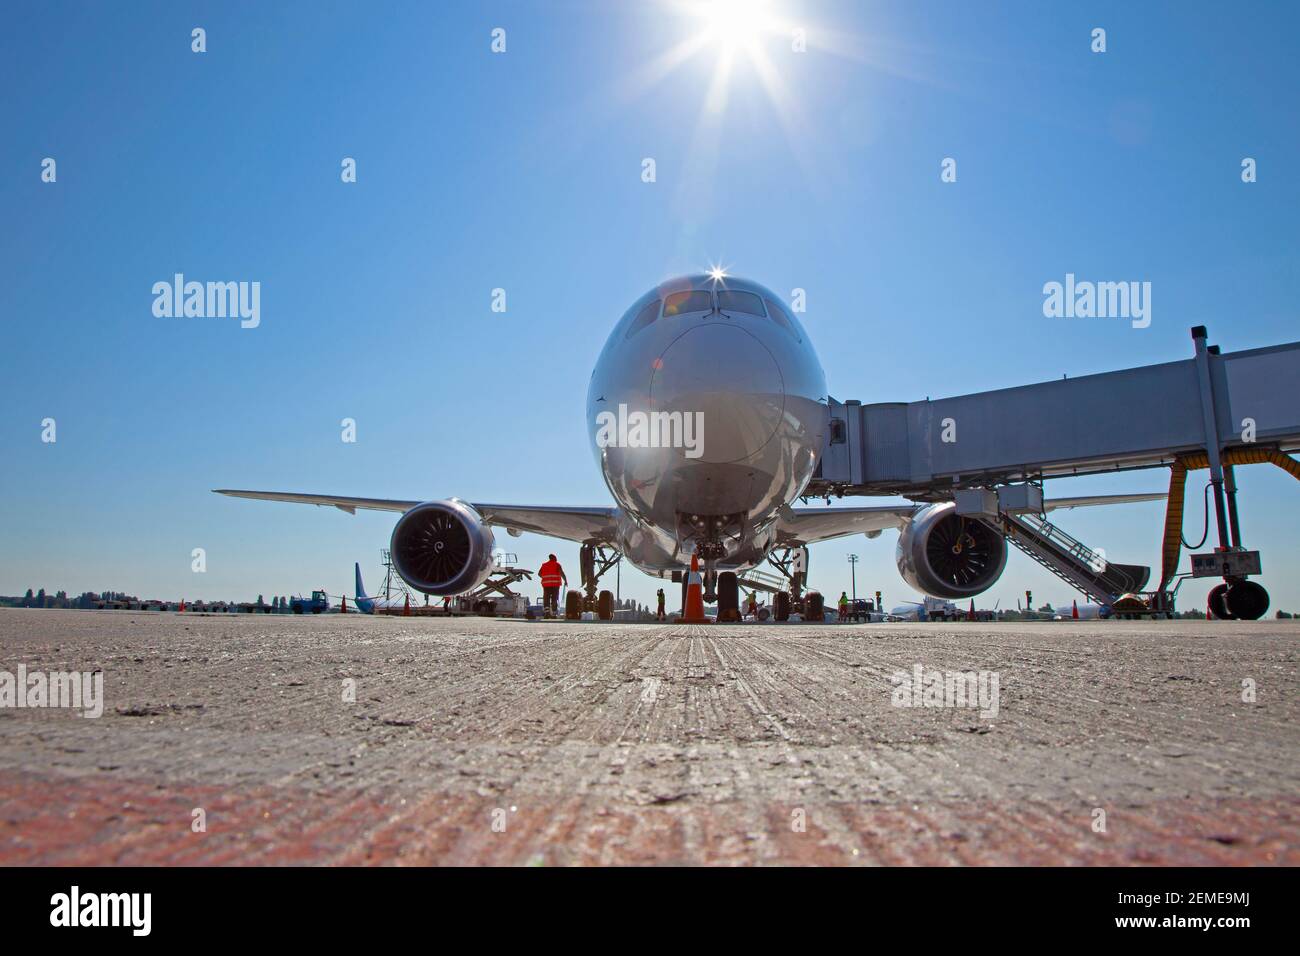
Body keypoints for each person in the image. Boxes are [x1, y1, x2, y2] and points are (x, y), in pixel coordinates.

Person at [539, 553, 567, 617]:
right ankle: (554, 613)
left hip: (546, 585)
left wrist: (545, 577)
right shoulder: (557, 564)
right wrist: (565, 580)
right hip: (555, 585)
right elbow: (561, 573)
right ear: (554, 558)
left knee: (546, 598)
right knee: (554, 598)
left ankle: (547, 613)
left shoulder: (544, 565)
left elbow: (539, 574)